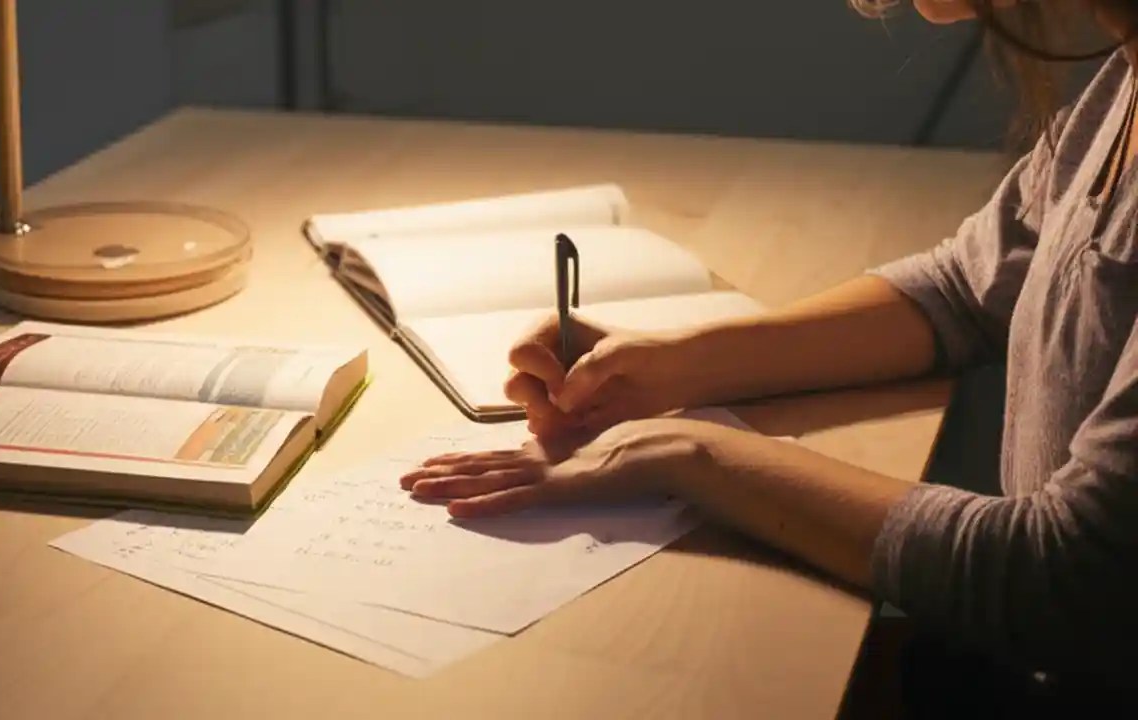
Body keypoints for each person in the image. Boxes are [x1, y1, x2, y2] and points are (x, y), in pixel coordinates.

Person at [399, 0, 1138, 712]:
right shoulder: (1121, 83)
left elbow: (1062, 581)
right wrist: (675, 365)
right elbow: (966, 285)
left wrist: (689, 450)